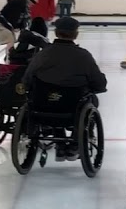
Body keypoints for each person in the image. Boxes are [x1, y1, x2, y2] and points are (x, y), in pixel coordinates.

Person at [22, 17, 107, 158]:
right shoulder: (83, 55)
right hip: (73, 106)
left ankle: (60, 145)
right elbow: (98, 82)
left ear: (56, 32)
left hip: (43, 104)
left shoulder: (43, 54)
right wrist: (99, 87)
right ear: (75, 34)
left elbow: (28, 77)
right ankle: (75, 144)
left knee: (51, 96)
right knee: (92, 100)